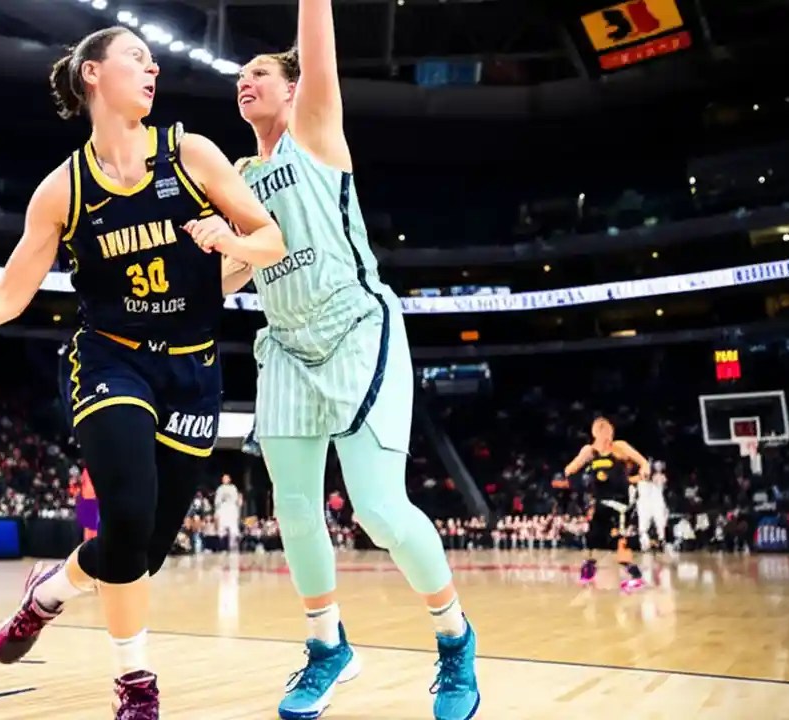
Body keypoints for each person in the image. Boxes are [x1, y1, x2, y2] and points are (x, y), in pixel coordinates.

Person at [0, 26, 284, 719]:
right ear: (92, 74)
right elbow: (5, 296)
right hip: (109, 360)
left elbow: (271, 236)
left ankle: (49, 592)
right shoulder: (62, 190)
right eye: (136, 56)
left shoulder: (192, 154)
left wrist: (231, 238)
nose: (153, 66)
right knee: (128, 514)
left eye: (152, 59)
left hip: (193, 371)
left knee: (140, 551)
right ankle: (135, 684)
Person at [229, 1, 479, 717]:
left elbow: (318, 43)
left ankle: (455, 640)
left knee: (378, 509)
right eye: (238, 76)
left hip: (355, 330)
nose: (244, 82)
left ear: (291, 86)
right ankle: (326, 646)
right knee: (297, 509)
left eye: (259, 73)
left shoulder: (314, 130)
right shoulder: (240, 175)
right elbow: (236, 273)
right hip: (283, 343)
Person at [563, 417, 649, 591]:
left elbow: (644, 463)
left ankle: (636, 577)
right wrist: (582, 485)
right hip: (601, 501)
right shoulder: (589, 451)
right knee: (593, 538)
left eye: (609, 431)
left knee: (620, 540)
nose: (607, 435)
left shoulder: (620, 447)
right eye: (603, 432)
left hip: (620, 502)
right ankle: (589, 569)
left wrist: (639, 475)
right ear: (595, 433)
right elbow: (569, 470)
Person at [635, 459, 669, 552]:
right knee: (643, 526)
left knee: (660, 523)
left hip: (656, 502)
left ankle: (661, 541)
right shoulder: (639, 479)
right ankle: (645, 544)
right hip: (644, 503)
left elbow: (660, 479)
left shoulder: (659, 477)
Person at [214, 473, 242, 552]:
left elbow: (237, 501)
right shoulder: (220, 489)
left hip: (231, 511)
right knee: (222, 530)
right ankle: (223, 548)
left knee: (233, 530)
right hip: (223, 511)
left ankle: (233, 547)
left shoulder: (233, 488)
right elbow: (217, 502)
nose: (225, 480)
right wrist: (217, 513)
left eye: (226, 478)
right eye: (224, 478)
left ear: (229, 479)